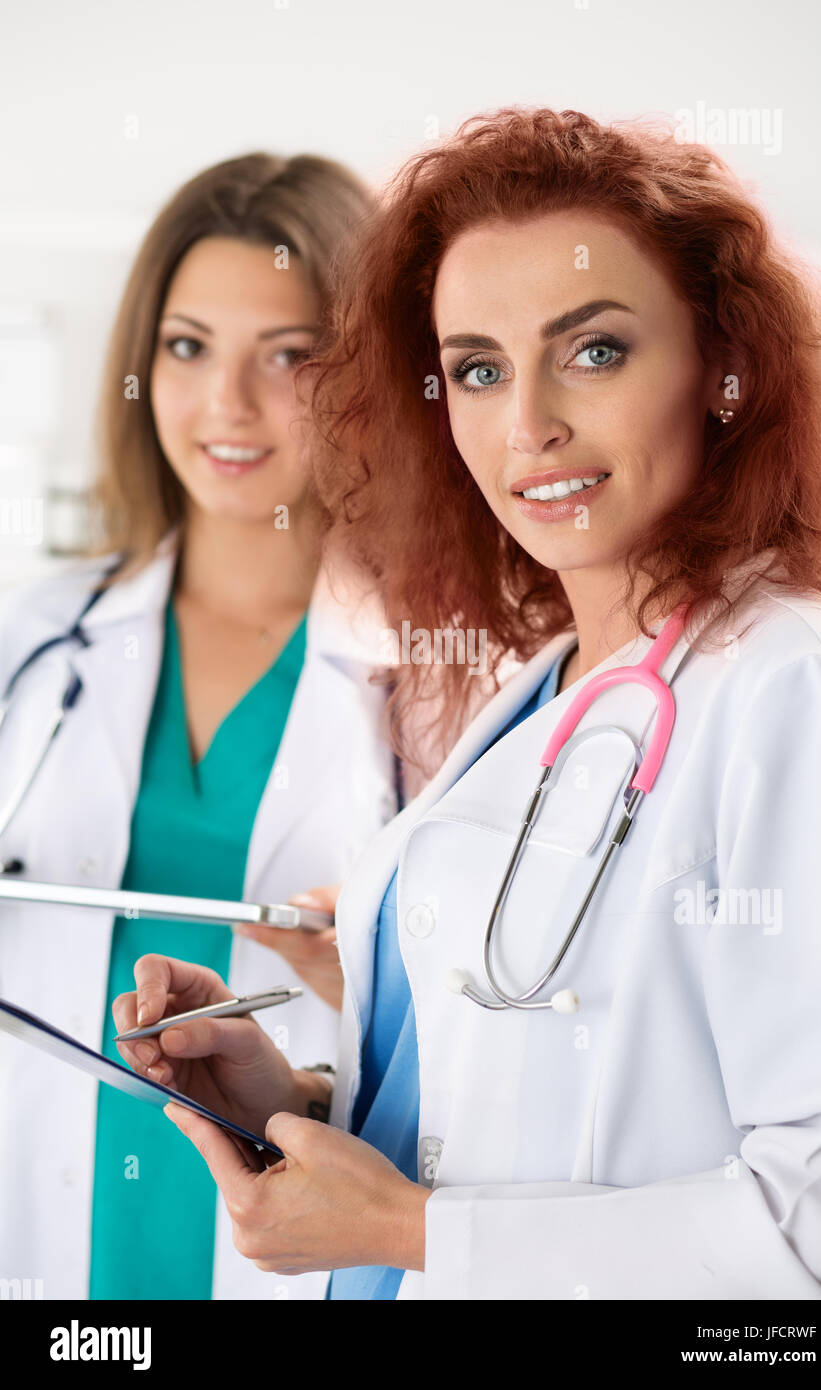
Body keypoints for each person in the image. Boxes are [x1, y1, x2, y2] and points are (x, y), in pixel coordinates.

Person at [113, 109, 821, 1300]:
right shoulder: (545, 690)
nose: (528, 425)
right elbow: (511, 1101)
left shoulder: (794, 690)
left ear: (725, 370)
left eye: (595, 350)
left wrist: (417, 1231)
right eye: (476, 367)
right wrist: (298, 1104)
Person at [0, 152, 401, 1301]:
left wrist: (379, 960)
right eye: (187, 347)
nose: (226, 403)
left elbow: (493, 1018)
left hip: (296, 1227)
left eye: (287, 355)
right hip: (49, 1218)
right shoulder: (34, 637)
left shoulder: (439, 672)